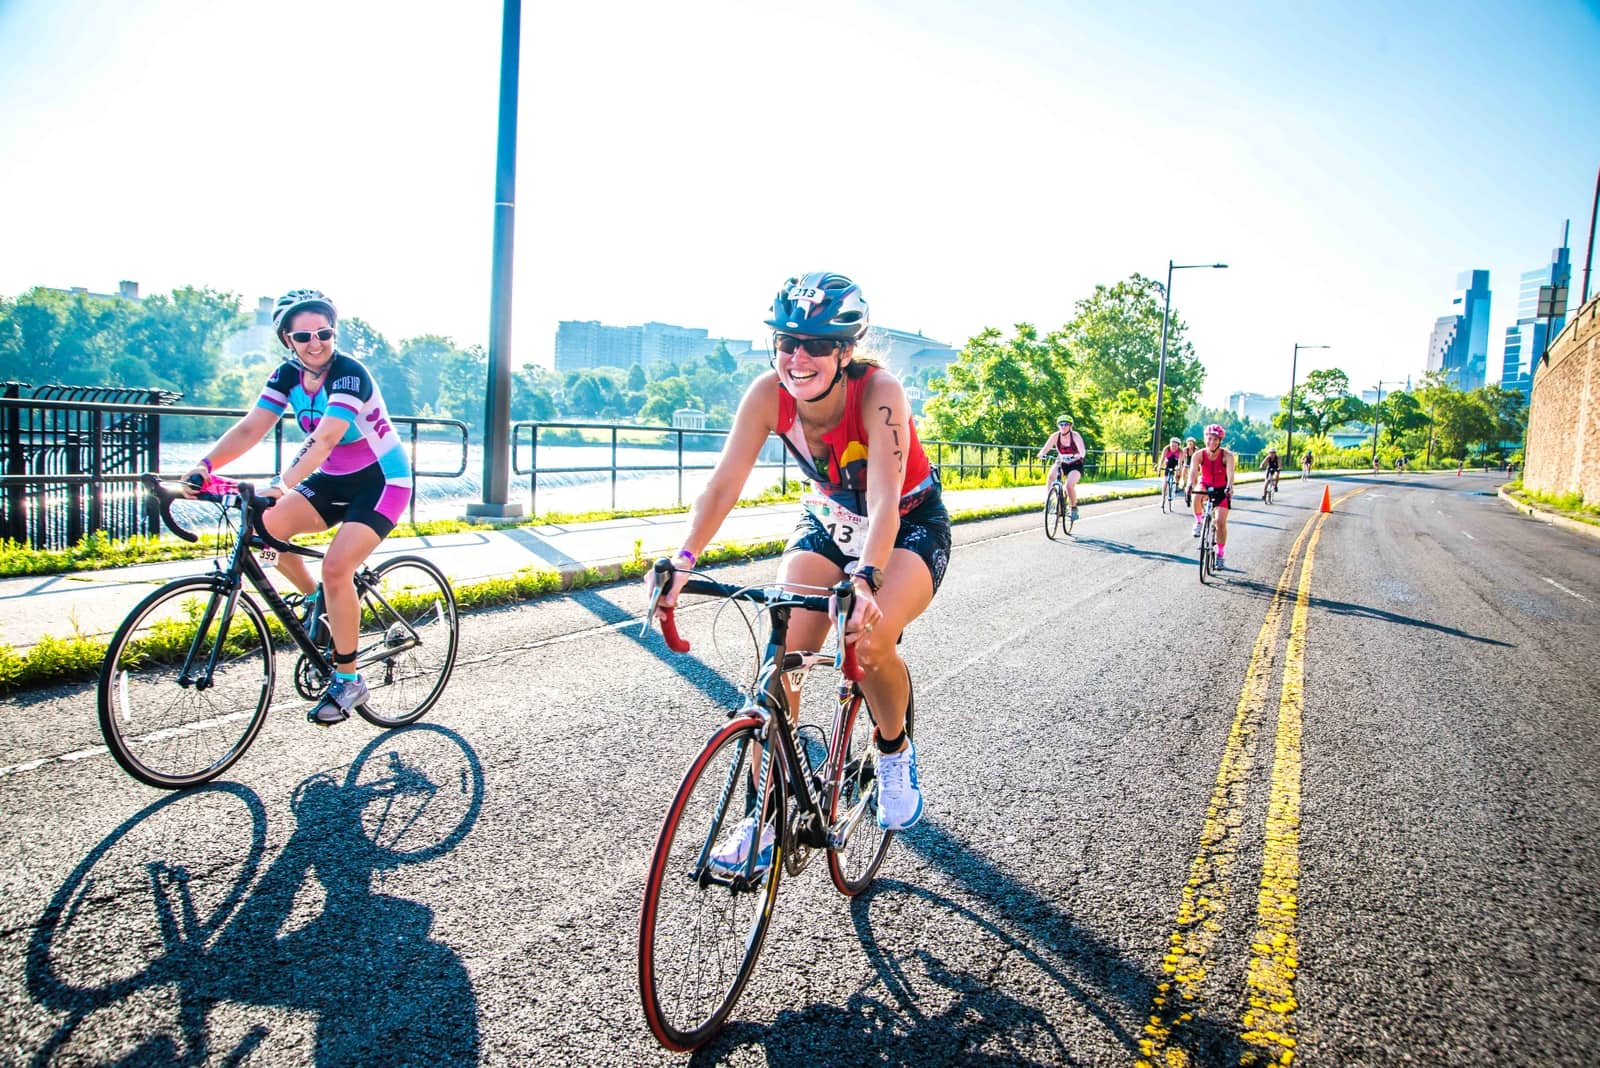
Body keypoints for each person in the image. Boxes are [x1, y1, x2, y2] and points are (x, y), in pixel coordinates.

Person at [651, 272, 949, 871]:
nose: (798, 357)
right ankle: (763, 816)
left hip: (908, 523)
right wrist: (683, 559)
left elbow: (886, 502)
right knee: (783, 652)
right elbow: (723, 485)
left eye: (815, 344)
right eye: (787, 342)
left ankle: (892, 750)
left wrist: (866, 580)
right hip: (830, 520)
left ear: (844, 350)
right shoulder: (767, 394)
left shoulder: (879, 392)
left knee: (870, 635)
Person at [184, 289, 412, 726]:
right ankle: (315, 601)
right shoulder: (286, 376)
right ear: (288, 339)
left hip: (382, 481)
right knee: (263, 533)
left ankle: (348, 680)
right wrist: (204, 466)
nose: (315, 342)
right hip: (331, 478)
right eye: (304, 335)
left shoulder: (349, 374)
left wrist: (281, 483)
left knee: (336, 566)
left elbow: (325, 437)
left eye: (324, 332)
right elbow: (252, 427)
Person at [1187, 424, 1236, 567]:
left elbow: (1230, 474)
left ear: (1220, 441)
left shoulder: (1227, 456)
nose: (1212, 442)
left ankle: (1220, 554)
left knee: (1220, 522)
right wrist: (1190, 484)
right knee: (1196, 495)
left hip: (1222, 489)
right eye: (1209, 438)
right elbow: (1193, 472)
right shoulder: (1199, 455)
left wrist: (1229, 487)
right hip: (1206, 484)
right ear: (1205, 439)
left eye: (1215, 439)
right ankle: (1198, 521)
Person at [1038, 415, 1087, 521]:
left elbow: (1082, 450)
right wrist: (1041, 454)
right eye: (1061, 424)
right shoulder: (1056, 436)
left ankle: (1073, 508)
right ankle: (1050, 501)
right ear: (1058, 426)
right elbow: (1046, 448)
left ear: (1070, 426)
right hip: (1062, 462)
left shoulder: (1075, 436)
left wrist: (1080, 455)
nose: (1063, 426)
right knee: (1051, 476)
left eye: (1066, 424)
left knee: (1069, 485)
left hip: (1075, 464)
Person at [1182, 437, 1199, 506]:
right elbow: (1183, 458)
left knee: (1195, 479)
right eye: (1189, 443)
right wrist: (1182, 464)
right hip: (1187, 463)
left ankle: (1194, 488)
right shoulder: (1185, 449)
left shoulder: (1196, 449)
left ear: (1193, 443)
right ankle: (1184, 482)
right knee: (1184, 470)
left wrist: (1198, 466)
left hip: (1194, 464)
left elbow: (1198, 459)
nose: (1190, 444)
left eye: (1191, 443)